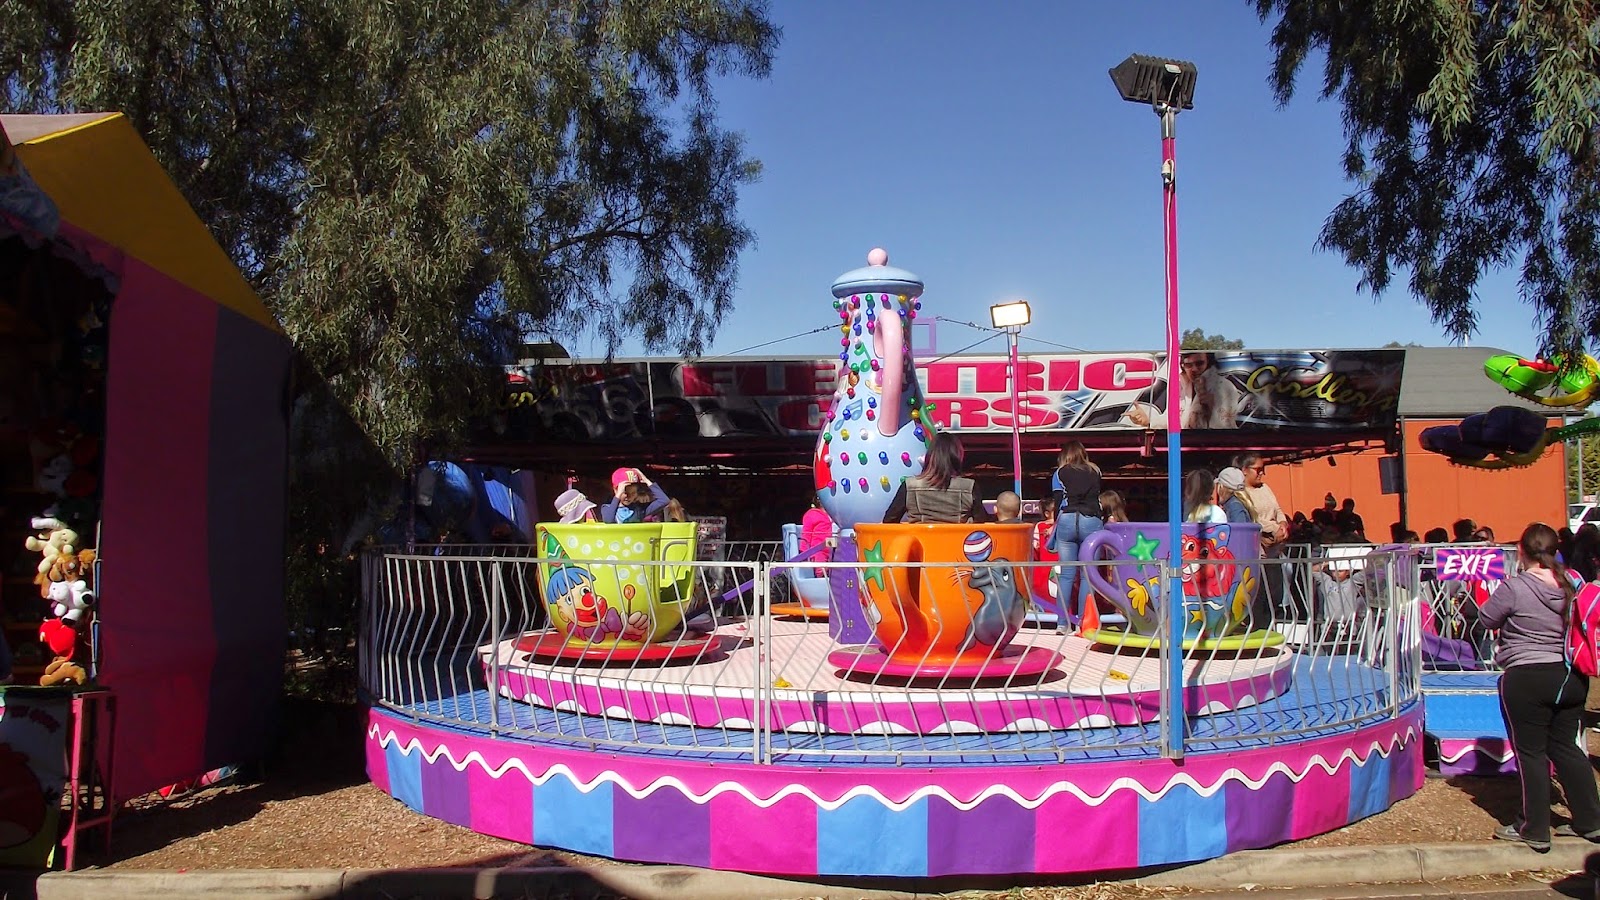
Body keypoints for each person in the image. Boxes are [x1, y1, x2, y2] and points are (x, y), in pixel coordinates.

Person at [1479, 523, 1600, 851]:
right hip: (1570, 676)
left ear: (1522, 552)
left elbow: (1486, 619)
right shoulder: (1572, 582)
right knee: (1566, 747)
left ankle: (1534, 827)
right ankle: (1590, 822)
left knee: (1531, 753)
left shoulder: (1515, 587)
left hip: (1527, 676)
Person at [1046, 441, 1103, 623]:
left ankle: (1062, 623)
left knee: (1067, 574)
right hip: (1091, 519)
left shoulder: (1060, 473)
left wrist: (1055, 523)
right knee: (1088, 574)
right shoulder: (1095, 471)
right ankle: (1083, 621)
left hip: (1068, 519)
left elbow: (1057, 500)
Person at [882, 432, 987, 524]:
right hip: (956, 545)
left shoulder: (909, 486)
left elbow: (889, 520)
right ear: (957, 456)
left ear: (930, 456)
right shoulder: (969, 487)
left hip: (920, 544)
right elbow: (981, 521)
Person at [1122, 351, 1242, 430]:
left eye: (1199, 363)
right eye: (1189, 365)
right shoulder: (1182, 385)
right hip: (1188, 443)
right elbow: (1173, 420)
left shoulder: (1224, 386)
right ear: (1183, 367)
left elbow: (1224, 426)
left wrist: (1211, 406)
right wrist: (1148, 421)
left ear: (1208, 364)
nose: (1194, 369)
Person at [1237, 454, 1288, 553]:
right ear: (1244, 470)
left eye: (1263, 469)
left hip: (1276, 547)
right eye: (1257, 469)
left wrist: (1283, 524)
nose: (1261, 473)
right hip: (1258, 548)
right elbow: (1252, 518)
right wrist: (1274, 528)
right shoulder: (1240, 494)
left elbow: (1277, 509)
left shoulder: (1265, 488)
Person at [601, 467, 670, 523]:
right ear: (616, 490)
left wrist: (645, 480)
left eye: (633, 493)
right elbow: (608, 520)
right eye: (625, 492)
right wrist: (618, 495)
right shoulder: (607, 508)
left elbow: (664, 500)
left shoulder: (639, 510)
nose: (629, 496)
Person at [800, 498, 835, 577]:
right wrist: (804, 551)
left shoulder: (835, 515)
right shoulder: (812, 514)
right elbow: (806, 533)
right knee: (821, 571)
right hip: (818, 550)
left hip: (833, 550)